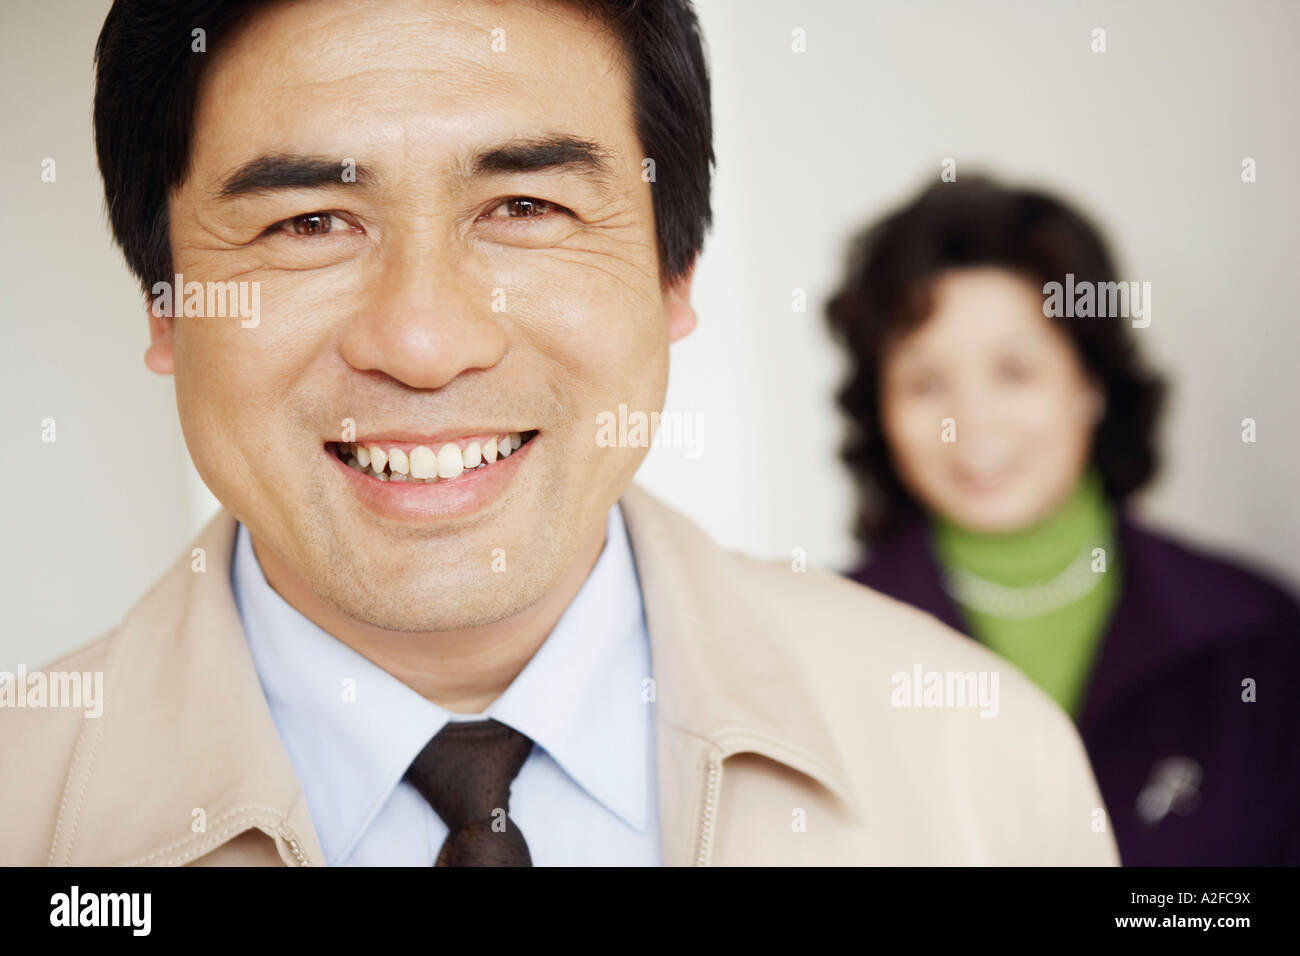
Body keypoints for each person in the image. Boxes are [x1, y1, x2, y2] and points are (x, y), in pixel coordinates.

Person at [0, 1, 1114, 867]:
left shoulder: (982, 763)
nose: (425, 341)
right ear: (165, 303)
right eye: (308, 223)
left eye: (526, 209)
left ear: (675, 272)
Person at [827, 176, 1300, 865]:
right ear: (882, 411)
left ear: (1091, 383)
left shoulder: (1253, 635)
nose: (971, 420)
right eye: (926, 382)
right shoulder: (824, 651)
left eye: (1014, 371)